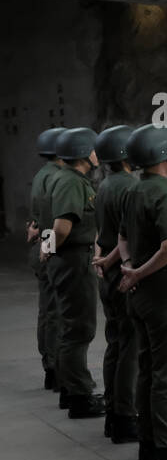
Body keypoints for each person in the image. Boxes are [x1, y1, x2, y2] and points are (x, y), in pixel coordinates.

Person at [119, 124, 167, 460]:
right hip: (163, 295)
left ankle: (148, 441)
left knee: (147, 369)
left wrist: (131, 268)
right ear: (162, 155)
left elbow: (123, 239)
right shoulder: (166, 193)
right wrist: (140, 271)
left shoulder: (134, 190)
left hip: (139, 296)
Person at [45, 127, 106, 418]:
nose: (97, 154)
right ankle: (79, 395)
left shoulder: (64, 178)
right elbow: (61, 226)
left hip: (66, 259)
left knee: (72, 327)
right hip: (72, 260)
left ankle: (71, 390)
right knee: (78, 330)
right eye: (94, 149)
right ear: (84, 153)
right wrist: (50, 249)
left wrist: (47, 250)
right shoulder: (71, 182)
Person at [90, 125, 140, 442]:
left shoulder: (105, 185)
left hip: (109, 272)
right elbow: (129, 236)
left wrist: (102, 259)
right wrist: (117, 263)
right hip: (123, 272)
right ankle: (124, 415)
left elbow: (103, 233)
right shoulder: (130, 188)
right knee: (131, 348)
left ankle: (113, 410)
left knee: (116, 342)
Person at [28, 127, 66, 394]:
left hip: (43, 248)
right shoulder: (57, 178)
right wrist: (48, 250)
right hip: (52, 251)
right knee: (56, 313)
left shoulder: (42, 174)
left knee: (48, 310)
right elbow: (55, 222)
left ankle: (50, 363)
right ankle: (55, 368)